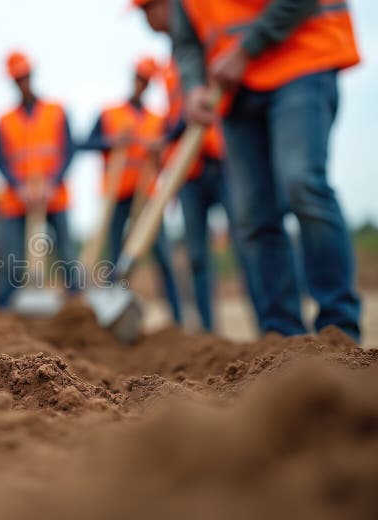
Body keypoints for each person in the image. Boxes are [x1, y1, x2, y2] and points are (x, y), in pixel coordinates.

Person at [173, 0, 362, 340]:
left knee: (302, 184)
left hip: (302, 57)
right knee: (254, 216)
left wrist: (246, 50)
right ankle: (281, 337)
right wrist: (193, 86)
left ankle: (339, 333)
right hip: (236, 90)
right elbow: (185, 40)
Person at [132, 0, 264, 333]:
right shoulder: (173, 63)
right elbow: (179, 111)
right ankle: (206, 332)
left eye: (148, 10)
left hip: (222, 160)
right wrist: (166, 134)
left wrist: (170, 132)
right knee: (196, 256)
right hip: (188, 172)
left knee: (246, 241)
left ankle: (268, 328)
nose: (147, 19)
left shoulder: (206, 45)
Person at [82, 57, 182, 324]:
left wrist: (159, 149)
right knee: (115, 256)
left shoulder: (158, 119)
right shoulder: (110, 113)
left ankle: (178, 318)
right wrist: (111, 141)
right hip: (117, 195)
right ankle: (113, 313)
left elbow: (169, 157)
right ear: (133, 78)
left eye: (147, 81)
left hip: (146, 196)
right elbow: (85, 143)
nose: (142, 84)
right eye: (139, 78)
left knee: (162, 255)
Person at [0, 51, 78, 306]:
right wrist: (19, 187)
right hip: (16, 201)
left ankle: (77, 309)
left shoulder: (56, 111)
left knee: (66, 256)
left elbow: (68, 151)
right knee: (13, 261)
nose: (23, 82)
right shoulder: (5, 121)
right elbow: (0, 161)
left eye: (25, 77)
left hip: (54, 197)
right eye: (17, 79)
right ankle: (10, 312)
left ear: (31, 76)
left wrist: (52, 183)